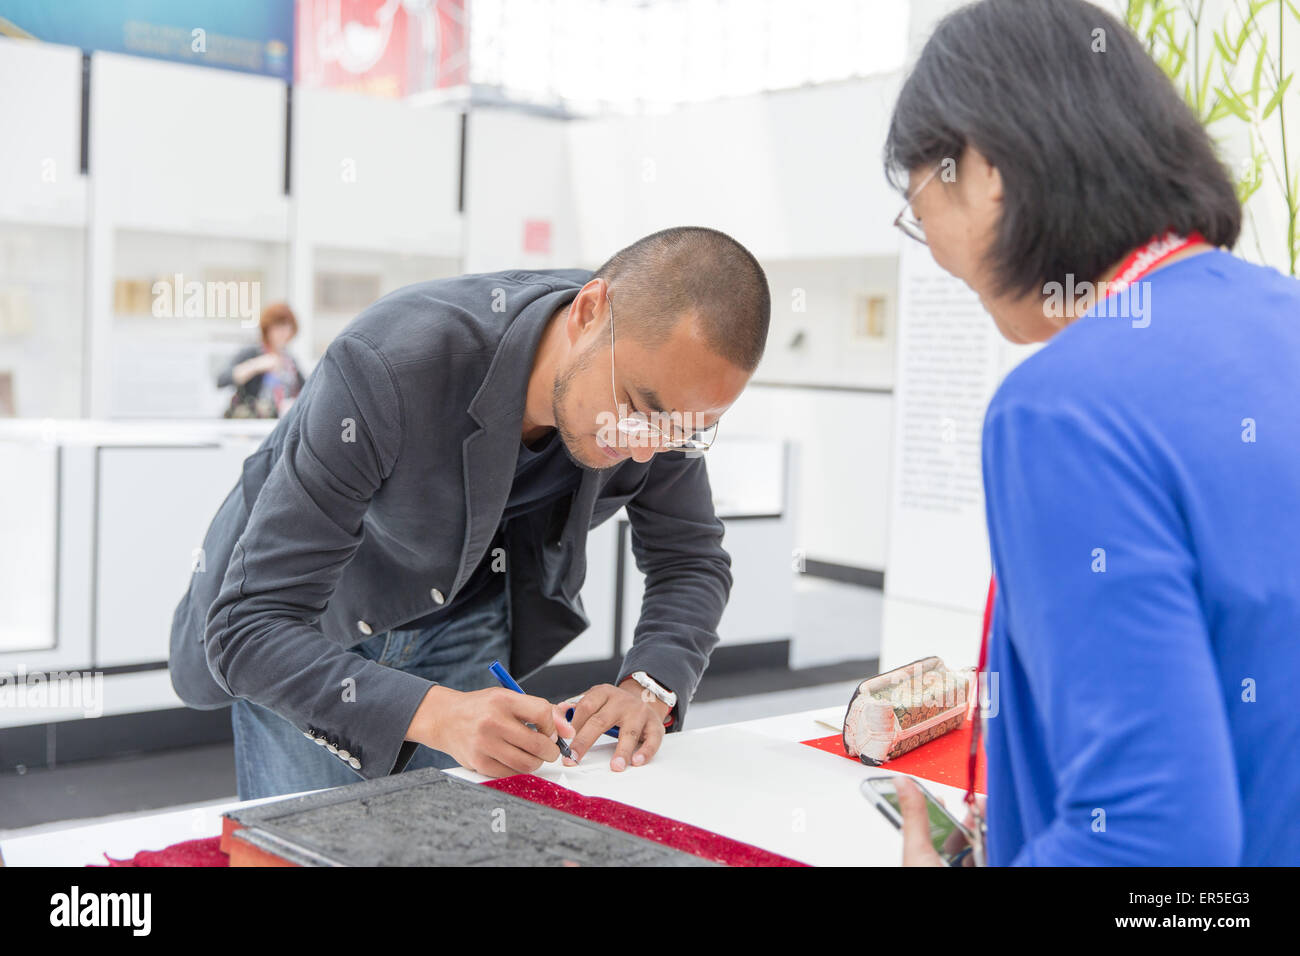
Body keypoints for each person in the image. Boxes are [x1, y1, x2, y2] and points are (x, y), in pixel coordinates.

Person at [884, 0, 1300, 865]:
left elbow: (1156, 843)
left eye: (919, 199)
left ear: (986, 166)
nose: (926, 243)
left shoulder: (1064, 407)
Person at [170, 226, 770, 799]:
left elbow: (689, 557)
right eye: (639, 409)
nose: (645, 449)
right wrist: (435, 713)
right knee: (303, 848)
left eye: (684, 432)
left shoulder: (660, 390)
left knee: (454, 842)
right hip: (318, 628)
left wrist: (650, 684)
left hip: (469, 613)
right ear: (588, 313)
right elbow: (251, 627)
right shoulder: (389, 364)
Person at [217, 302, 304, 418]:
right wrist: (256, 365)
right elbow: (221, 379)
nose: (283, 332)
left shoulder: (290, 361)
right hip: (251, 424)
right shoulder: (252, 353)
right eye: (278, 327)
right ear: (267, 329)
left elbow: (306, 389)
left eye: (287, 327)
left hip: (278, 424)